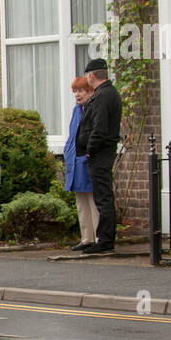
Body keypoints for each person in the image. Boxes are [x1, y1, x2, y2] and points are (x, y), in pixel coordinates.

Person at [75, 58, 121, 254]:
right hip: (102, 152)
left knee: (102, 198)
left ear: (92, 75)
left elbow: (99, 128)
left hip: (100, 154)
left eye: (88, 76)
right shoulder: (109, 93)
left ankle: (105, 241)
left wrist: (90, 149)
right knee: (103, 197)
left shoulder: (103, 96)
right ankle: (103, 239)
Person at [64, 76, 98, 250]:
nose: (77, 95)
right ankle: (86, 238)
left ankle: (98, 238)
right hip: (76, 160)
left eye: (81, 91)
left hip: (87, 159)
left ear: (89, 91)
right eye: (75, 91)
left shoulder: (91, 109)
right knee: (81, 202)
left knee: (93, 201)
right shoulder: (76, 110)